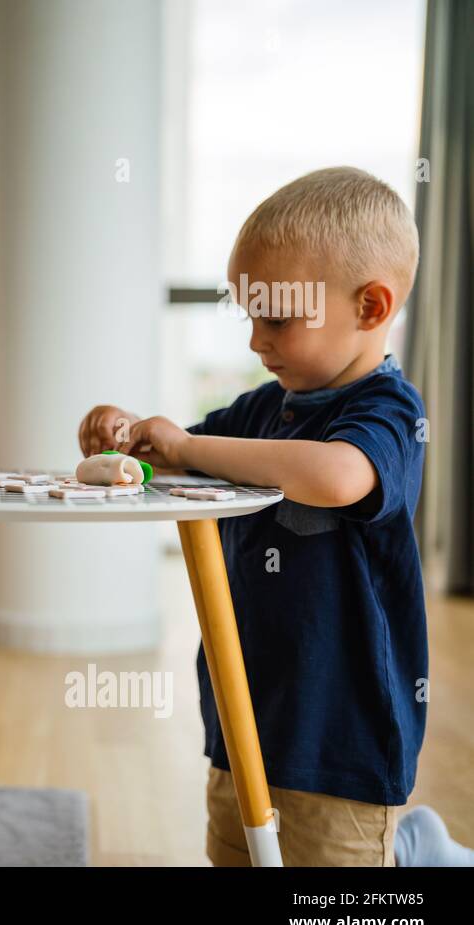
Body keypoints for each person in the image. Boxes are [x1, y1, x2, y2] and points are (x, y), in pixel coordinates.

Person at [78, 167, 426, 865]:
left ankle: (420, 855)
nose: (255, 342)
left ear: (370, 306)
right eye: (249, 316)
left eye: (276, 318)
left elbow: (336, 475)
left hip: (342, 744)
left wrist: (190, 444)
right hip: (243, 724)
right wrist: (131, 433)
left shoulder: (388, 411)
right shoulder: (263, 410)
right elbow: (179, 456)